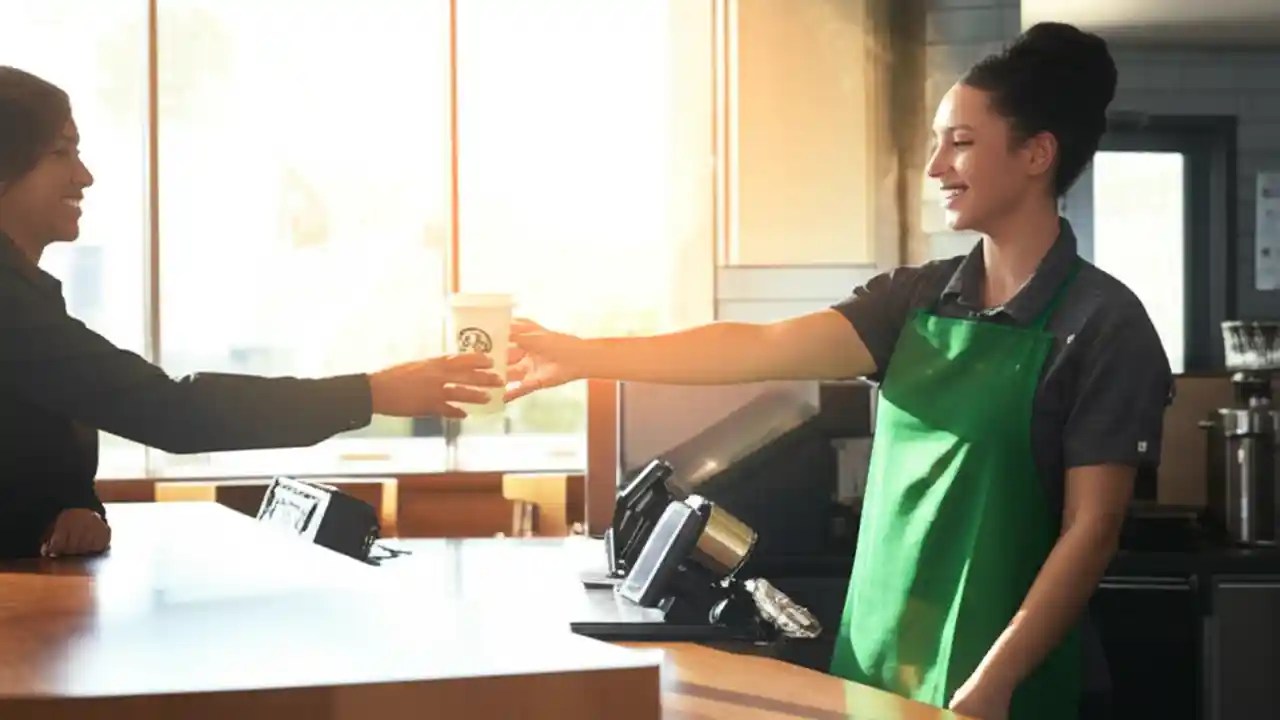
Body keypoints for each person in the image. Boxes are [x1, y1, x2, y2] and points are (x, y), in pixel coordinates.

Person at [504, 22, 1170, 720]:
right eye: (937, 142)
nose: (936, 166)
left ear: (1037, 154)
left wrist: (993, 682)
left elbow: (1092, 529)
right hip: (875, 662)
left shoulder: (1102, 325)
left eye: (962, 143)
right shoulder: (913, 300)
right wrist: (586, 356)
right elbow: (758, 347)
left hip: (1007, 683)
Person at [0, 66, 501, 560]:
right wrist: (374, 393)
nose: (84, 176)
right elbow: (171, 412)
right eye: (59, 152)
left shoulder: (29, 298)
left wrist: (73, 508)